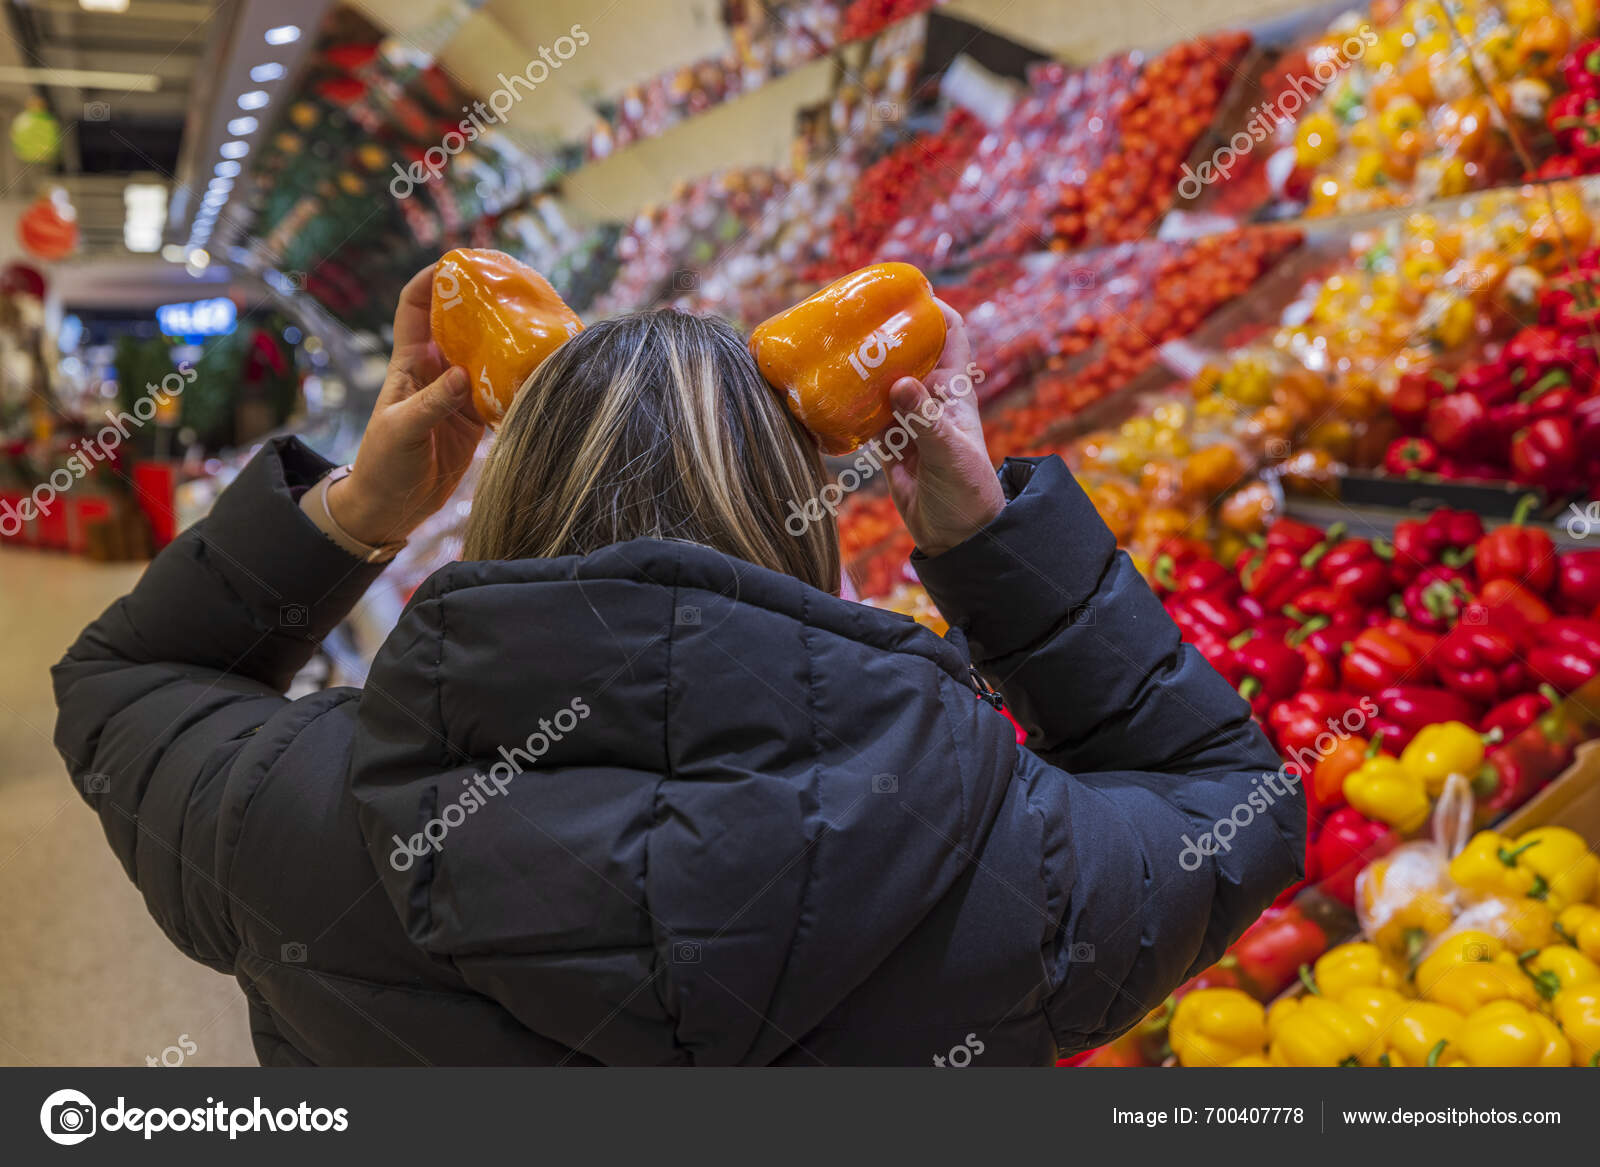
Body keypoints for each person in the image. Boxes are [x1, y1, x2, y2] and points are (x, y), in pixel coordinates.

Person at [53, 266, 1300, 1066]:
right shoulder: (1017, 862)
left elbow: (127, 681)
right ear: (806, 517)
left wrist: (348, 513)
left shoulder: (291, 816)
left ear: (512, 495)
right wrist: (985, 536)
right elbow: (1227, 794)